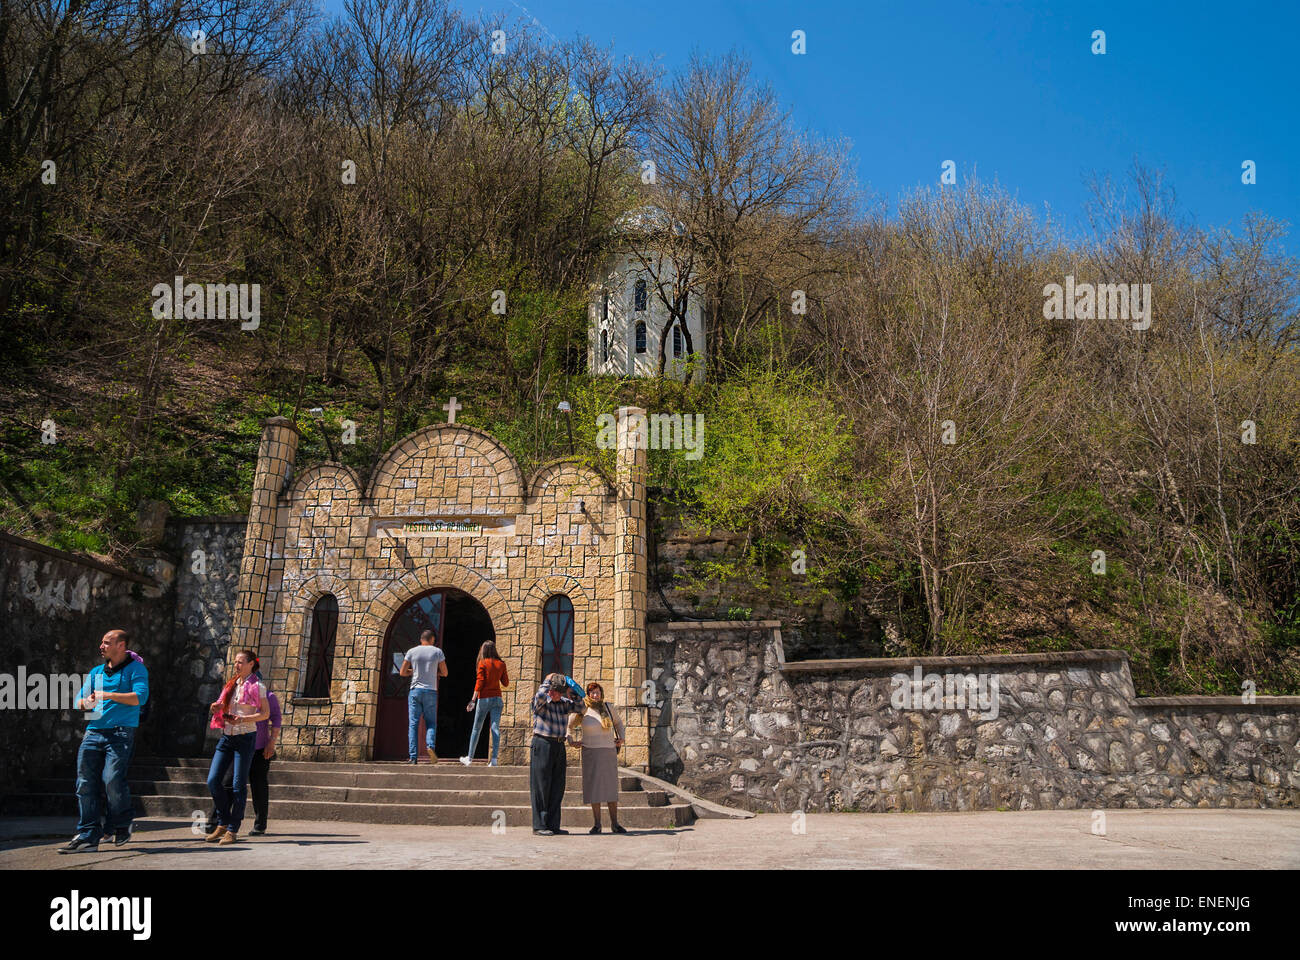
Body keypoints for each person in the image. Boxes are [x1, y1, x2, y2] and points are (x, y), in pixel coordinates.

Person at [58, 629, 150, 853]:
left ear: (121, 645)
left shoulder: (136, 669)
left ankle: (122, 822)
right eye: (102, 642)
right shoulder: (97, 672)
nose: (102, 646)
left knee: (111, 780)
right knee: (84, 784)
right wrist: (87, 702)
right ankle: (88, 835)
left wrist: (107, 695)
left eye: (107, 643)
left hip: (120, 734)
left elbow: (140, 697)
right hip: (93, 732)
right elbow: (79, 702)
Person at [204, 650, 269, 846]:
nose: (237, 665)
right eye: (236, 662)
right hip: (227, 736)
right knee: (213, 780)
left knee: (238, 784)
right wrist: (216, 707)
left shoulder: (258, 686)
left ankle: (233, 828)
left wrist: (245, 719)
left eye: (241, 662)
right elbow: (223, 706)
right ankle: (223, 821)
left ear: (251, 664)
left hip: (245, 736)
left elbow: (265, 714)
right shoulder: (231, 684)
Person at [529, 672, 586, 836]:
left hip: (559, 746)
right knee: (541, 786)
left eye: (556, 691)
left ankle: (553, 825)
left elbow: (582, 707)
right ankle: (539, 825)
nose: (552, 693)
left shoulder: (565, 703)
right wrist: (548, 680)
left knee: (557, 786)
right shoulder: (541, 703)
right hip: (542, 743)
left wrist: (572, 689)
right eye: (552, 690)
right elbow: (541, 694)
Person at [568, 681, 627, 834]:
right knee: (594, 788)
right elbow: (569, 725)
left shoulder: (608, 707)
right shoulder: (582, 708)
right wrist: (570, 740)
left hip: (608, 751)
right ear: (588, 694)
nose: (596, 695)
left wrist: (622, 737)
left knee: (610, 788)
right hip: (590, 752)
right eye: (592, 692)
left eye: (598, 692)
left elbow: (619, 723)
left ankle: (615, 824)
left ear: (601, 693)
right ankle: (597, 825)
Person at [399, 630, 447, 763]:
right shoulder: (437, 652)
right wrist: (433, 672)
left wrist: (413, 671)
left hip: (415, 691)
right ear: (432, 639)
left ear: (421, 639)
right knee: (431, 722)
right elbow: (445, 672)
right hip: (430, 691)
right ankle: (430, 746)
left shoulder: (412, 651)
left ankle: (413, 757)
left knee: (413, 724)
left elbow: (402, 672)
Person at [460, 641, 509, 766]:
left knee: (477, 728)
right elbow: (506, 683)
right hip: (497, 699)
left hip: (484, 699)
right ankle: (494, 760)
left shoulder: (482, 663)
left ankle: (469, 758)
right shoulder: (501, 664)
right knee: (495, 728)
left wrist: (473, 700)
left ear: (483, 650)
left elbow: (480, 682)